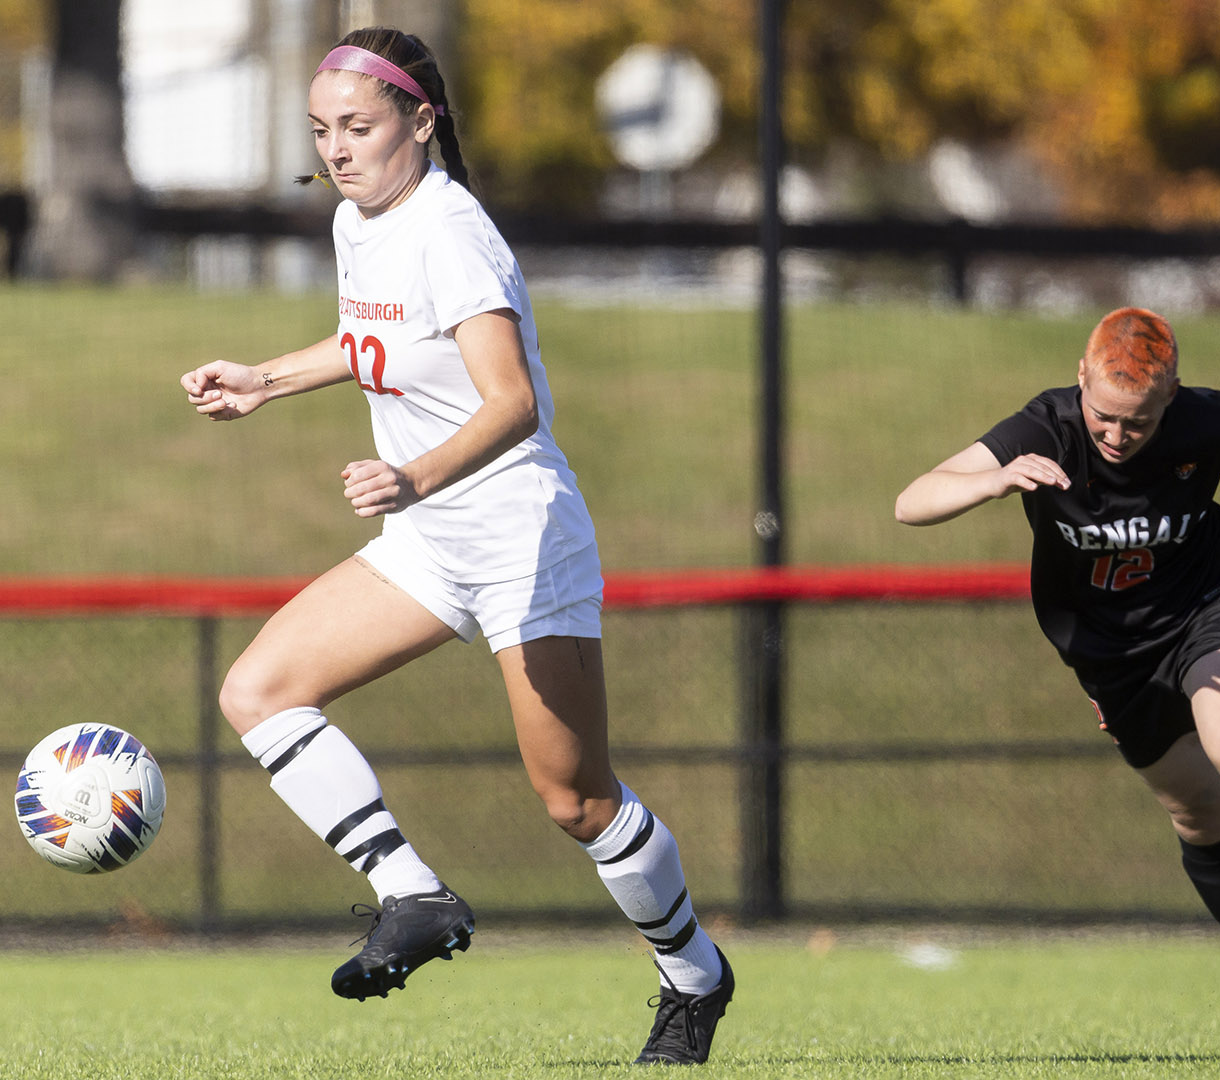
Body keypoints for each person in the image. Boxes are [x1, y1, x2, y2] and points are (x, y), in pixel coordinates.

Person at [180, 27, 731, 1066]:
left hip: (519, 537)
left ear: (421, 122)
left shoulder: (452, 231)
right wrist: (266, 377)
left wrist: (412, 476)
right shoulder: (362, 221)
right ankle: (411, 893)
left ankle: (695, 971)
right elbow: (376, 341)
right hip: (431, 542)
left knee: (577, 800)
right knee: (258, 691)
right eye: (320, 131)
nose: (337, 150)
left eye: (357, 127)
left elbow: (511, 401)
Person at [894, 307, 1220, 1049]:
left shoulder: (1202, 421)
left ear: (1172, 396)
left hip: (1217, 598)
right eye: (1105, 417)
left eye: (1140, 422)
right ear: (1081, 377)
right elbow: (911, 501)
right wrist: (991, 482)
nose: (1118, 437)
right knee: (1199, 814)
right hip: (1113, 651)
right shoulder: (1045, 427)